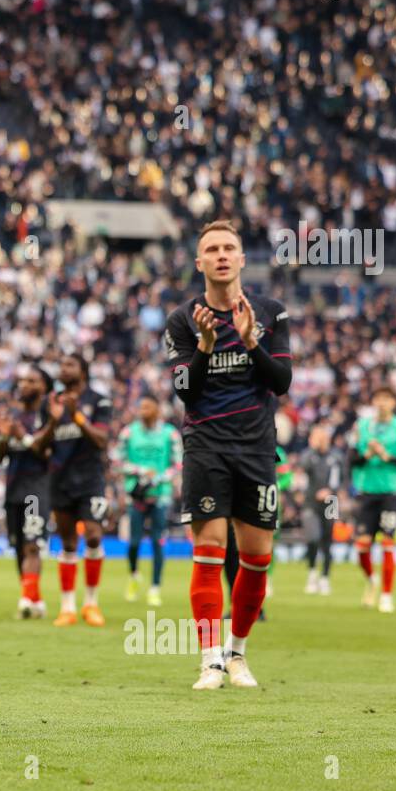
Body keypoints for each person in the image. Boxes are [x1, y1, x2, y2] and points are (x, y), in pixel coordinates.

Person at [166, 221, 292, 689]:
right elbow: (184, 389)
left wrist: (252, 341)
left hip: (257, 449)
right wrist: (204, 346)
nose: (221, 255)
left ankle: (238, 654)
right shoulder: (184, 319)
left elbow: (281, 382)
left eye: (229, 248)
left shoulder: (271, 313)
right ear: (199, 263)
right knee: (209, 553)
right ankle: (210, 661)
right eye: (211, 249)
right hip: (206, 447)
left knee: (257, 557)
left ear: (242, 259)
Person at [34, 354, 113, 627]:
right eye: (62, 363)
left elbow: (102, 440)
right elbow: (38, 446)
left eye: (69, 364)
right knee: (67, 543)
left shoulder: (98, 400)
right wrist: (55, 421)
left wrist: (77, 415)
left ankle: (91, 603)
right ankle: (68, 607)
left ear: (83, 371)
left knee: (92, 536)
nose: (62, 368)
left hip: (91, 481)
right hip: (60, 481)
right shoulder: (49, 402)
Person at [349, 386, 396, 611]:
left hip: (390, 493)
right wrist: (368, 454)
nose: (382, 403)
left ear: (393, 403)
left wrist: (386, 456)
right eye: (378, 398)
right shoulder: (361, 426)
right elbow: (351, 459)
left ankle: (387, 595)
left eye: (387, 399)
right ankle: (371, 580)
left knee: (388, 542)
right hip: (366, 492)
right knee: (361, 546)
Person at [0, 367, 53, 619]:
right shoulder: (15, 416)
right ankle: (34, 599)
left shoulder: (49, 417)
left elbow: (48, 454)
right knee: (19, 547)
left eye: (31, 380)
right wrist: (4, 438)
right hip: (13, 488)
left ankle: (26, 600)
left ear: (45, 387)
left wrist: (24, 437)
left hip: (37, 487)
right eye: (22, 380)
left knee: (32, 546)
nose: (24, 384)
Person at [118, 394, 182, 607]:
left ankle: (155, 587)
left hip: (160, 494)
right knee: (134, 541)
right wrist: (141, 471)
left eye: (147, 407)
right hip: (135, 494)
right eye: (140, 407)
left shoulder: (170, 434)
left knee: (157, 541)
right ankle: (134, 574)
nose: (142, 411)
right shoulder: (129, 432)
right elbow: (119, 461)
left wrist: (161, 477)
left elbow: (179, 464)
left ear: (157, 410)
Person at [299, 424, 344, 598]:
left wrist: (330, 491)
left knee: (328, 540)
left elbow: (343, 479)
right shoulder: (309, 455)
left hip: (331, 501)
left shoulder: (336, 456)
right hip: (311, 502)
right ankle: (312, 573)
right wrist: (312, 448)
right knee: (313, 537)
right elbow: (302, 467)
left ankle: (325, 577)